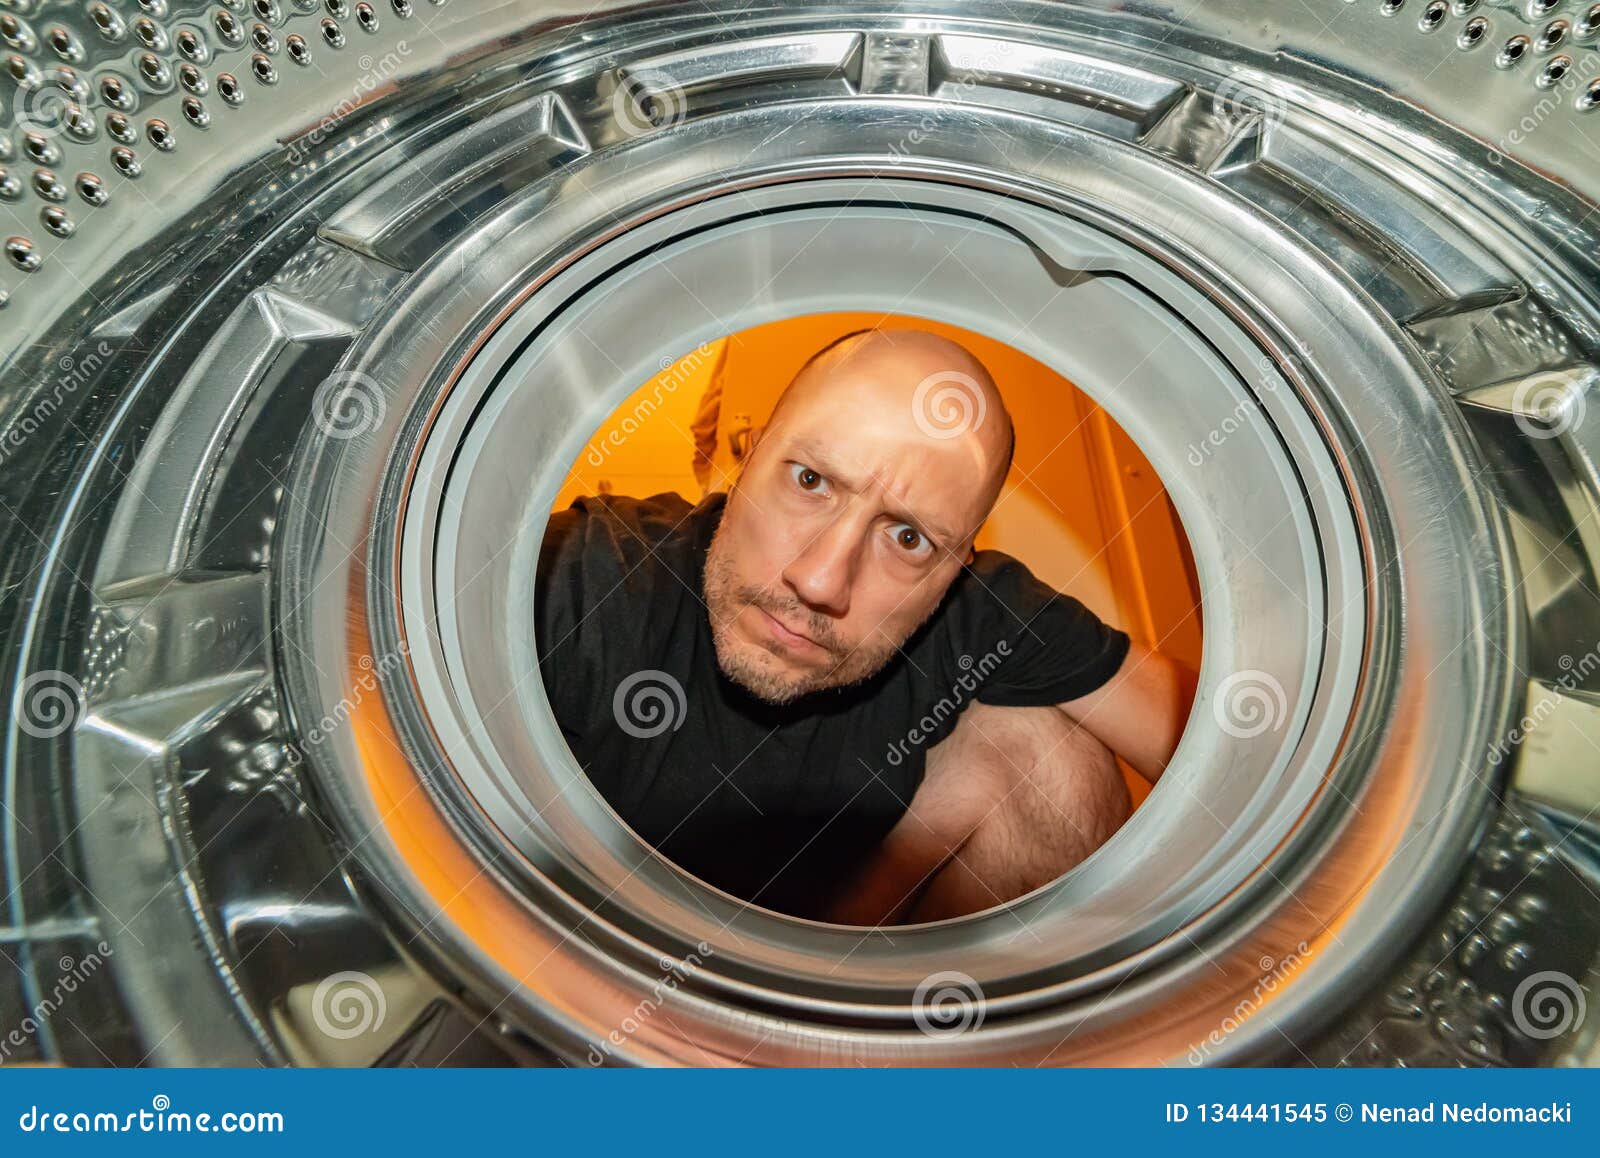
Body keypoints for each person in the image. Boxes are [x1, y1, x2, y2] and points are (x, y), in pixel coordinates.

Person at [536, 327, 1196, 924]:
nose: (822, 581)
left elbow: (1241, 755)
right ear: (747, 455)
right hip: (583, 990)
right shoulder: (584, 577)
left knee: (1049, 749)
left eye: (908, 538)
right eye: (810, 480)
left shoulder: (977, 609)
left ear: (956, 567)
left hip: (848, 990)